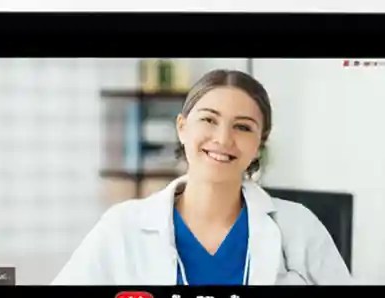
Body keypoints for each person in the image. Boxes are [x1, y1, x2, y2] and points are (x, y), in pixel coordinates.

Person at [52, 69, 353, 286]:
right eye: (209, 119)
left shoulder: (300, 227)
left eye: (243, 127)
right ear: (182, 128)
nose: (223, 139)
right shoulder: (121, 227)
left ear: (260, 144)